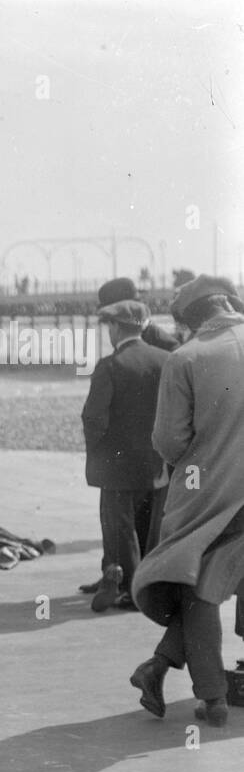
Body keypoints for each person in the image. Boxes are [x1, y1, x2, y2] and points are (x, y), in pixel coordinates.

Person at [129, 276, 244, 728]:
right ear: (229, 302)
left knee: (197, 586)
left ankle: (212, 697)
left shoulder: (186, 358)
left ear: (191, 320)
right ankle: (158, 668)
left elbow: (169, 441)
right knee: (220, 576)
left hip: (212, 495)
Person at [80, 297, 169, 612]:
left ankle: (128, 589)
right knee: (149, 526)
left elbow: (93, 418)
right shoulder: (165, 359)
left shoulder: (110, 365)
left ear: (117, 328)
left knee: (120, 527)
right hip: (156, 462)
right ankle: (142, 586)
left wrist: (98, 453)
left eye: (110, 327)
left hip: (117, 465)